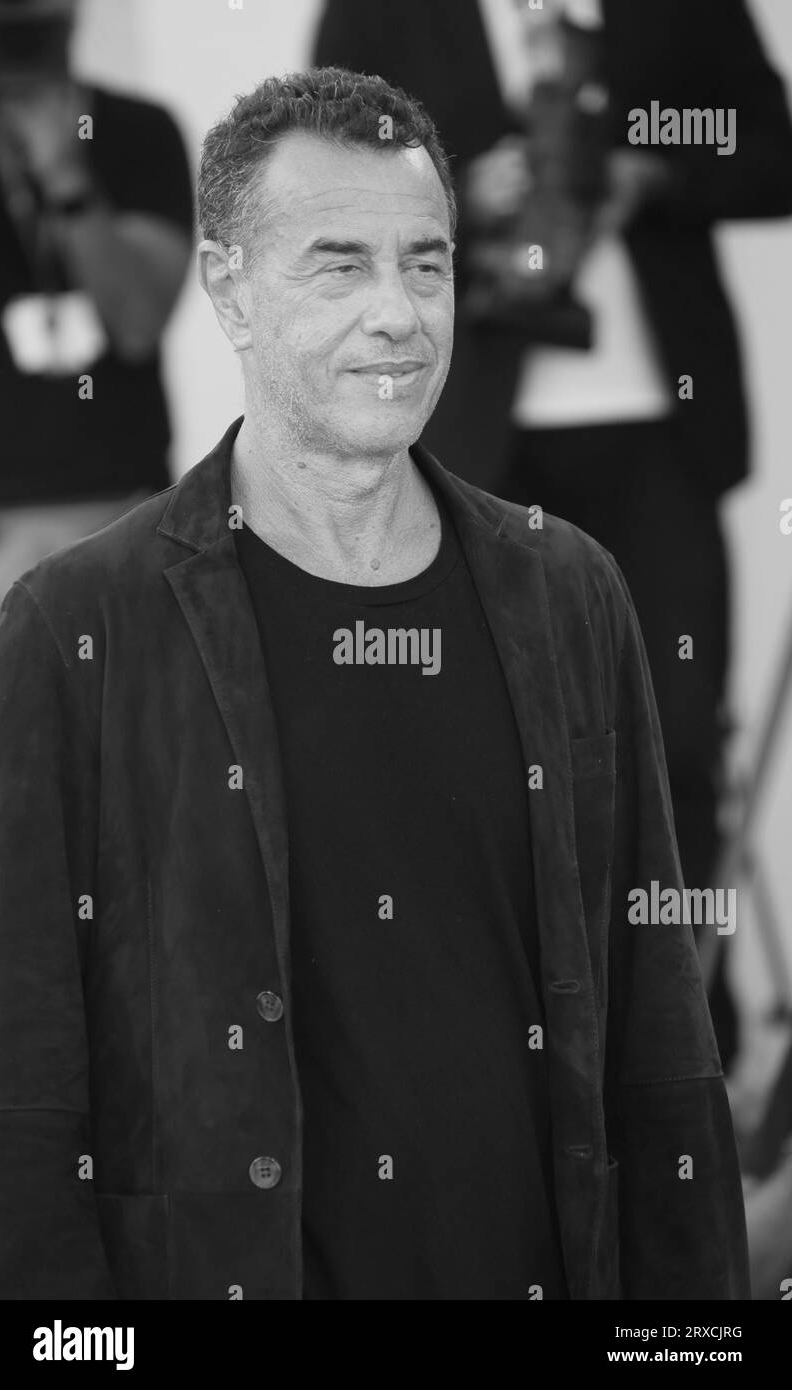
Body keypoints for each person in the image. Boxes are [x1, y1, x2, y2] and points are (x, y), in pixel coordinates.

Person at [0, 66, 748, 1301]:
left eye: (428, 262)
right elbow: (17, 1082)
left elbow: (658, 1033)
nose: (398, 313)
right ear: (227, 288)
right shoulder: (78, 626)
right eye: (338, 264)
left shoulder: (568, 593)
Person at [312, 0, 792, 1079]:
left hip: (659, 427)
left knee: (667, 739)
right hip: (467, 424)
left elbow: (769, 151)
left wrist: (651, 173)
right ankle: (502, 1039)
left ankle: (677, 1033)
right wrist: (433, 198)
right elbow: (314, 179)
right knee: (468, 745)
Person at [0, 0, 192, 651]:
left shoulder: (137, 131)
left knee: (123, 745)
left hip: (120, 512)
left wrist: (65, 179)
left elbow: (135, 321)